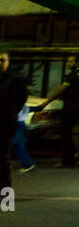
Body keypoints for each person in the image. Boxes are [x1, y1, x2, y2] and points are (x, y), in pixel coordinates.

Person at [39, 55, 79, 167]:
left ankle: (68, 160)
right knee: (69, 133)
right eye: (68, 61)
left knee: (65, 133)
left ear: (78, 63)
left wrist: (47, 101)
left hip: (70, 107)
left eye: (71, 61)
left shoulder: (72, 75)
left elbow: (61, 88)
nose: (68, 63)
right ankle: (73, 158)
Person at [0, 49, 29, 190]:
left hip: (6, 121)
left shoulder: (16, 78)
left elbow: (22, 98)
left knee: (3, 158)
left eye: (2, 60)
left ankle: (5, 191)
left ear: (8, 61)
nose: (0, 63)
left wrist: (11, 112)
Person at [11, 99, 36, 173]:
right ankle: (27, 163)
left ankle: (28, 164)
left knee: (17, 145)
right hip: (22, 125)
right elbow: (35, 108)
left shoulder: (13, 106)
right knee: (18, 144)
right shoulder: (24, 106)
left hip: (16, 125)